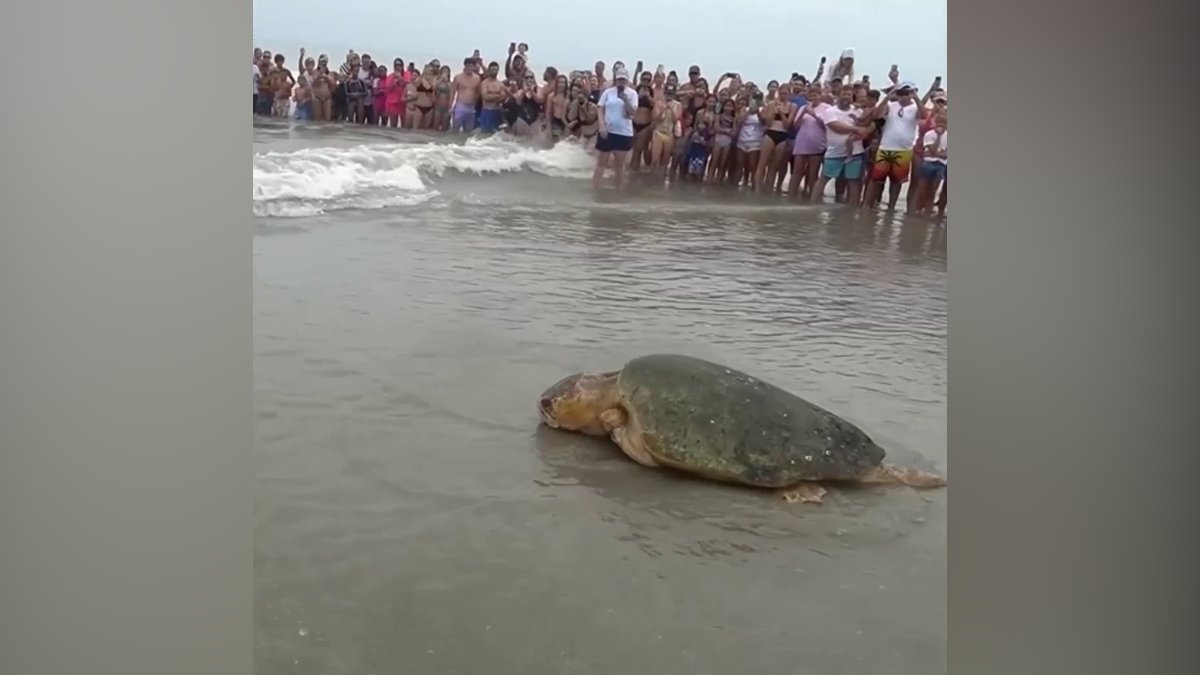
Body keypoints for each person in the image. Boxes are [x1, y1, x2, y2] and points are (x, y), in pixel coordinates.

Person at [864, 80, 926, 210]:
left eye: (907, 92)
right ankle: (867, 206)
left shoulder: (915, 108)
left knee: (896, 182)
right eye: (902, 92)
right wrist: (888, 96)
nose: (904, 95)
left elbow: (924, 116)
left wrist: (916, 98)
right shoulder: (891, 105)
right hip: (885, 148)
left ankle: (891, 208)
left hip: (904, 150)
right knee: (875, 180)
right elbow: (876, 115)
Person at [812, 85, 874, 204]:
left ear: (852, 97)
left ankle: (852, 208)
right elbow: (836, 127)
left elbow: (866, 127)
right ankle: (813, 205)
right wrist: (855, 129)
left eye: (849, 95)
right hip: (834, 152)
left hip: (856, 152)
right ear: (838, 95)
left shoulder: (858, 111)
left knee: (854, 181)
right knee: (824, 178)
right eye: (844, 94)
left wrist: (861, 130)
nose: (846, 97)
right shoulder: (830, 111)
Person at [592, 66, 637, 189]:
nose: (621, 82)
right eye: (619, 80)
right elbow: (600, 107)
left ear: (627, 80)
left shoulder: (632, 94)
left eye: (623, 80)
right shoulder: (608, 92)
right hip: (608, 131)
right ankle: (596, 189)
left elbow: (632, 113)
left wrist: (626, 100)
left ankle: (619, 192)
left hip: (624, 133)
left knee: (619, 166)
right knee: (601, 163)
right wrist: (601, 125)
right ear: (615, 80)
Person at [912, 111, 947, 216]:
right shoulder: (929, 134)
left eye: (943, 122)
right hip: (928, 164)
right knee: (922, 189)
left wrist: (935, 154)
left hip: (940, 165)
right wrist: (939, 137)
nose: (941, 125)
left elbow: (946, 154)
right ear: (935, 122)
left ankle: (927, 211)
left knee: (933, 190)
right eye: (939, 122)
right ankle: (917, 210)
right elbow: (932, 150)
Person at [450, 58, 481, 133]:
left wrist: (475, 104)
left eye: (471, 66)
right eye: (467, 66)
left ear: (474, 67)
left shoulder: (477, 78)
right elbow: (452, 92)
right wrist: (450, 106)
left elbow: (477, 93)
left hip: (471, 107)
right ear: (464, 66)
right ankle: (452, 144)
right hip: (460, 106)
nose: (469, 68)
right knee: (455, 130)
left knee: (468, 132)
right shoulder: (458, 77)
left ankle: (465, 145)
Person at [478, 62, 507, 134]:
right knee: (484, 133)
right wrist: (497, 96)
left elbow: (503, 97)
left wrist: (491, 96)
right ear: (489, 70)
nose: (494, 72)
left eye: (496, 70)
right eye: (493, 70)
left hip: (497, 111)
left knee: (496, 134)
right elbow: (485, 97)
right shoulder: (484, 83)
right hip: (487, 111)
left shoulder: (500, 84)